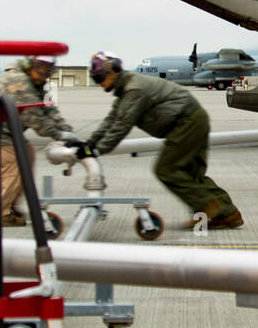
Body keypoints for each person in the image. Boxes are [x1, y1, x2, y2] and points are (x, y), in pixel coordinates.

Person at [82, 51, 242, 229]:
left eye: (101, 77)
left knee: (166, 170)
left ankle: (207, 206)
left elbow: (121, 126)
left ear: (114, 70)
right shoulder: (126, 90)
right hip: (193, 119)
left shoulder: (134, 89)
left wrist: (96, 150)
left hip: (186, 122)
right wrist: (90, 143)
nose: (100, 83)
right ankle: (228, 214)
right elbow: (112, 119)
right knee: (192, 174)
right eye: (96, 79)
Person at [0, 57, 75, 226]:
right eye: (42, 71)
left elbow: (50, 110)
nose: (44, 76)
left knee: (27, 155)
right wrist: (60, 135)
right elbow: (34, 118)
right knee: (16, 163)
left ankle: (10, 204)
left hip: (6, 131)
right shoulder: (19, 81)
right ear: (30, 66)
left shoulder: (35, 82)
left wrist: (68, 132)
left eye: (48, 72)